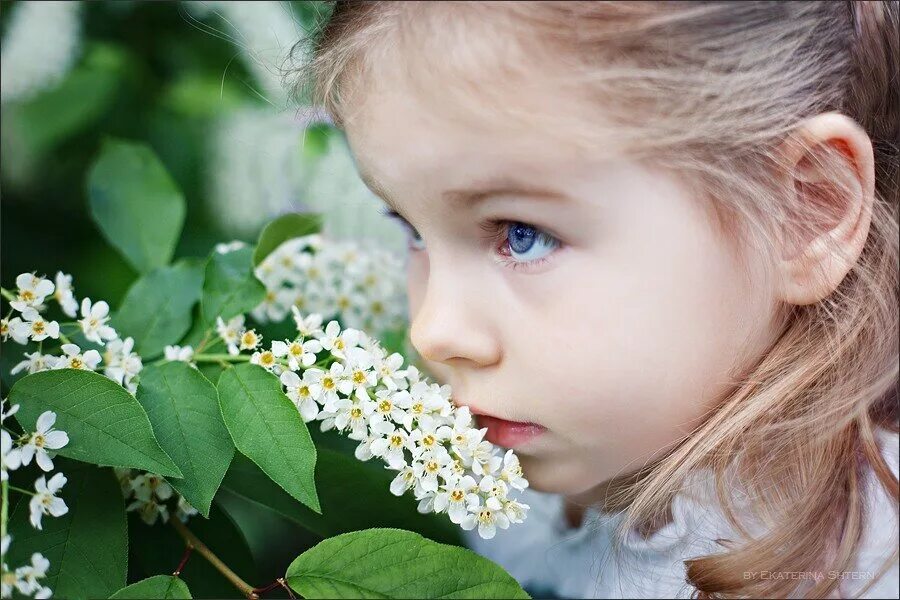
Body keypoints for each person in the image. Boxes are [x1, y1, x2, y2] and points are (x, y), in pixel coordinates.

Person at [294, 2, 899, 597]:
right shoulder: (527, 487)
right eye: (412, 230)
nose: (432, 331)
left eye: (522, 236)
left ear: (803, 213)